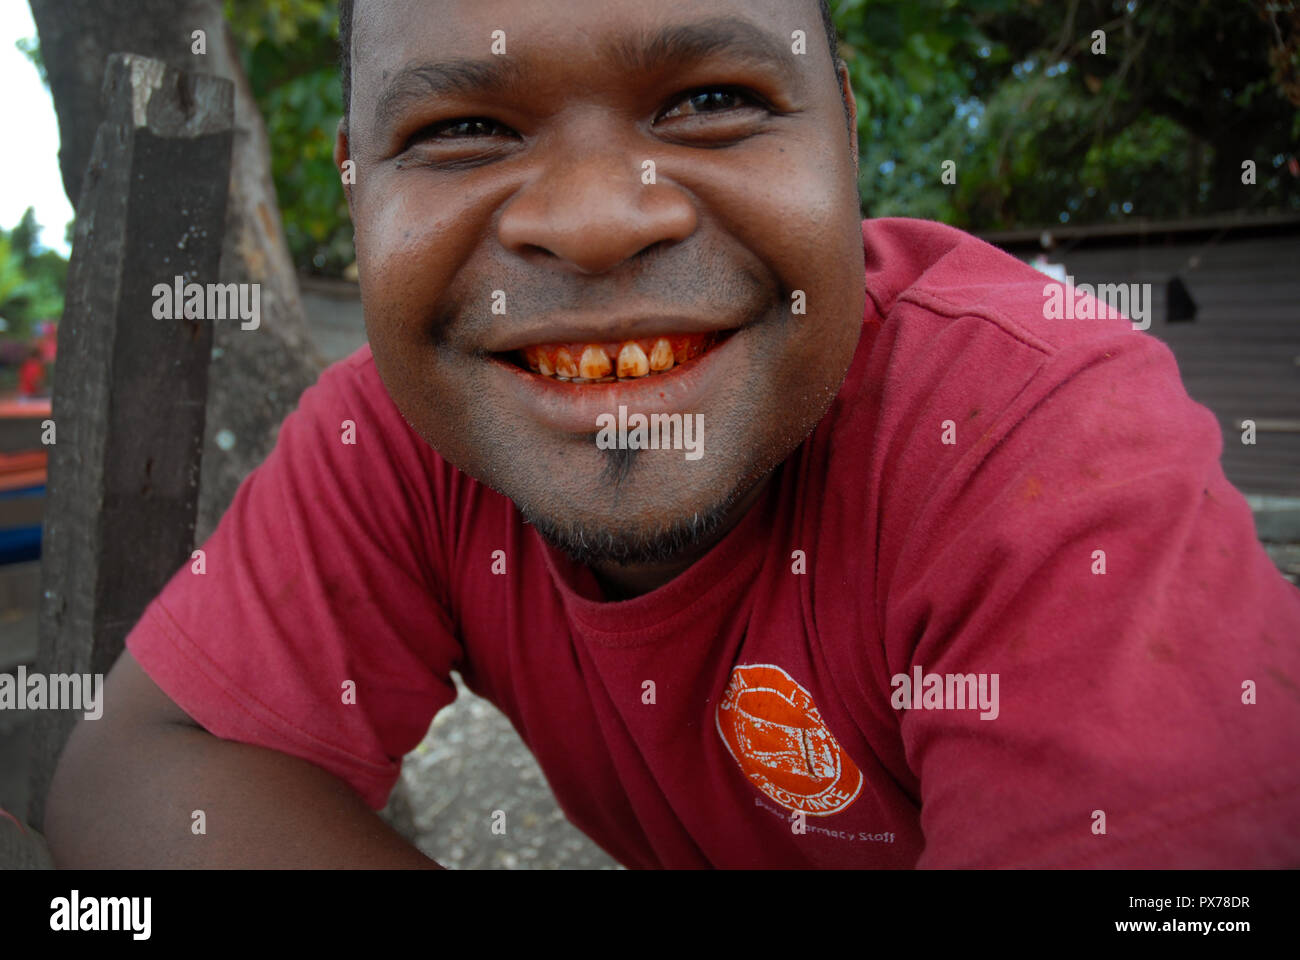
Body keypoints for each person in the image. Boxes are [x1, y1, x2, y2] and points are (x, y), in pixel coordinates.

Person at [44, 0, 1300, 869]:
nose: (594, 220)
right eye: (462, 130)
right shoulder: (401, 435)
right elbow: (140, 767)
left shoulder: (1036, 432)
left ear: (846, 135)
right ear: (356, 186)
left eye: (711, 99)